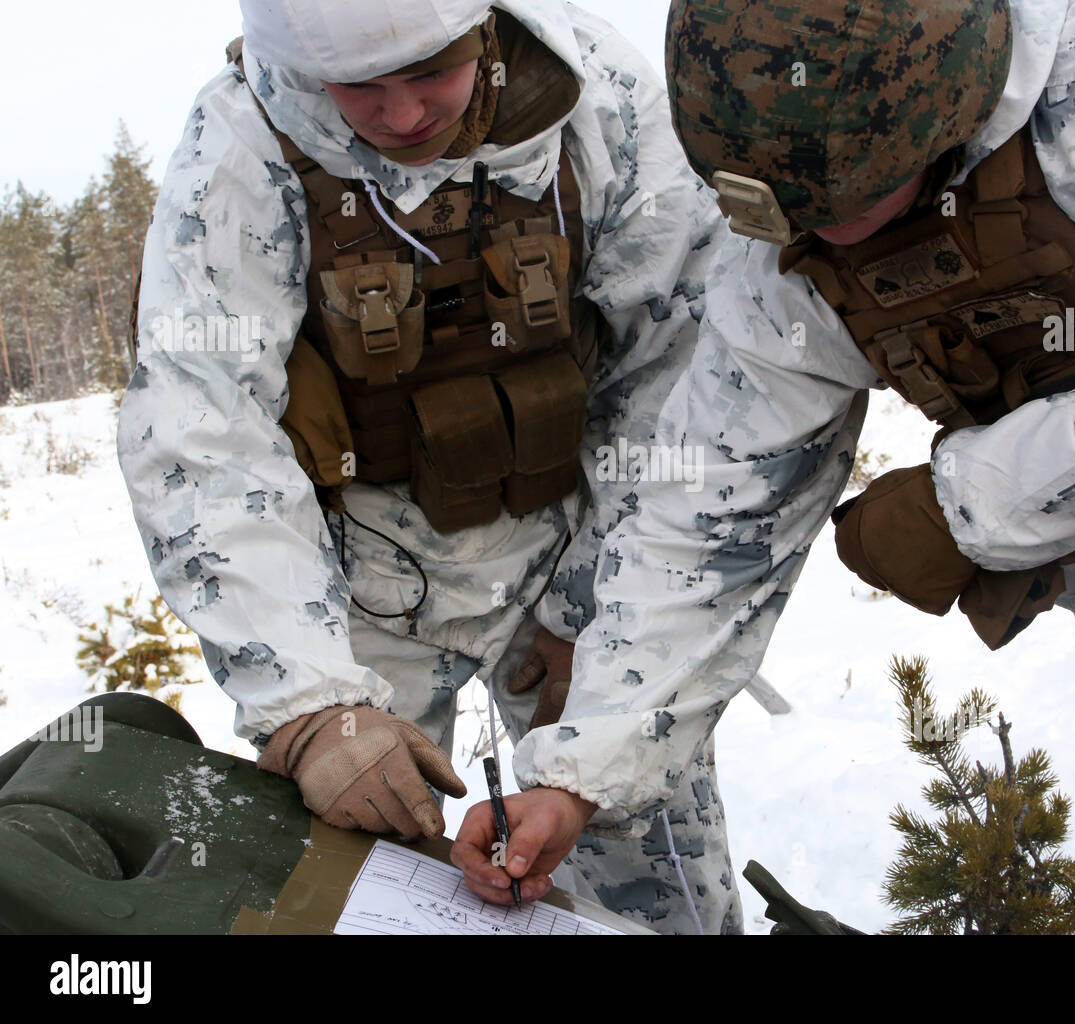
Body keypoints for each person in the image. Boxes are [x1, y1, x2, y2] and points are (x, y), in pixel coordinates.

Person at [516, 0, 1075, 933]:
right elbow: (712, 517)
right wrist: (574, 776)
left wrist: (963, 503)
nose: (817, 232)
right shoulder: (796, 224)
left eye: (842, 198)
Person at [118, 0, 745, 934]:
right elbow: (200, 429)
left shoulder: (596, 96)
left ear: (486, 31)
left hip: (573, 532)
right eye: (361, 86)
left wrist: (604, 607)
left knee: (646, 854)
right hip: (361, 583)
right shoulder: (240, 143)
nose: (403, 115)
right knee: (355, 888)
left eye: (430, 73)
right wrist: (309, 704)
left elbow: (691, 361)